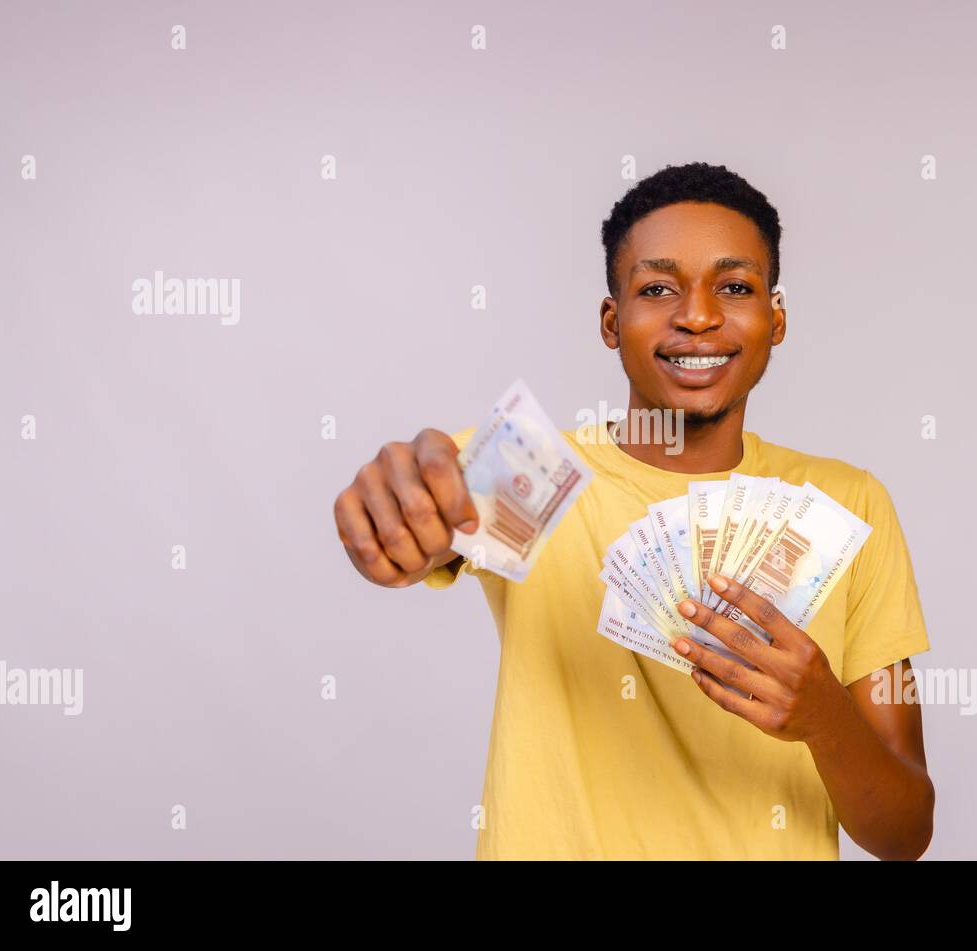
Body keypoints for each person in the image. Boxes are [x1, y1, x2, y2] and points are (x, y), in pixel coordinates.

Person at [333, 162, 934, 860]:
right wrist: (393, 510)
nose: (698, 315)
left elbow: (904, 831)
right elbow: (423, 510)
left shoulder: (850, 502)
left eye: (734, 286)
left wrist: (824, 715)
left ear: (776, 318)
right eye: (657, 288)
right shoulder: (536, 476)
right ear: (612, 322)